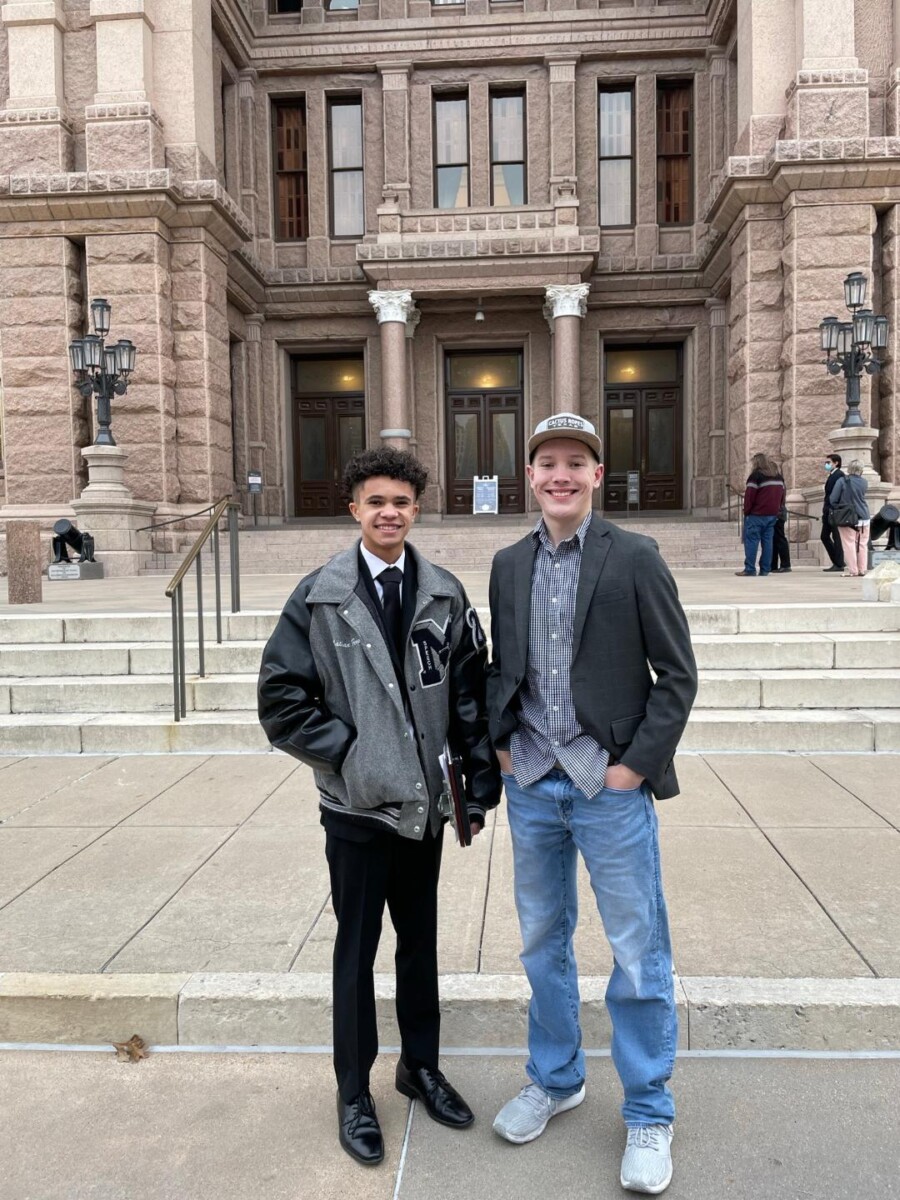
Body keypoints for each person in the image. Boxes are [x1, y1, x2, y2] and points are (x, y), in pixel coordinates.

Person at [258, 447, 499, 1167]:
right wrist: (352, 754)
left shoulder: (445, 593)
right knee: (356, 951)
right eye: (375, 502)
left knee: (419, 945)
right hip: (357, 813)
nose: (388, 513)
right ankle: (354, 1091)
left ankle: (419, 1067)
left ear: (416, 509)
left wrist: (476, 785)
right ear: (354, 510)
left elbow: (468, 696)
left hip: (424, 811)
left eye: (400, 501)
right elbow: (281, 700)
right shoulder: (318, 596)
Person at [485, 413, 698, 1196]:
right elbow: (501, 666)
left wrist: (634, 768)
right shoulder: (508, 564)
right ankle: (556, 1078)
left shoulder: (634, 556)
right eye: (548, 462)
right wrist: (501, 746)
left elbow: (677, 674)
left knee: (637, 949)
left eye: (576, 462)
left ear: (597, 475)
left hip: (608, 787)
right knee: (542, 943)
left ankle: (648, 1108)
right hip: (533, 784)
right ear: (530, 476)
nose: (561, 475)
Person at [735, 453, 785, 577]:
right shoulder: (778, 478)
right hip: (772, 514)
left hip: (756, 515)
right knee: (768, 542)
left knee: (751, 541)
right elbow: (782, 496)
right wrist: (778, 509)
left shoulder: (755, 477)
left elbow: (749, 497)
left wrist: (747, 511)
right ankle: (765, 569)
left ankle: (750, 569)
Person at [829, 459, 871, 577]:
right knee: (862, 544)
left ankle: (853, 570)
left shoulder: (842, 481)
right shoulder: (864, 482)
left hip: (847, 516)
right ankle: (862, 569)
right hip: (864, 516)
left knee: (849, 543)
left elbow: (833, 499)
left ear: (849, 469)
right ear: (861, 470)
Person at [821, 453, 846, 572]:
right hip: (829, 510)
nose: (826, 465)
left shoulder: (839, 475)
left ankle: (839, 563)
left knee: (836, 537)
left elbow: (835, 494)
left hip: (834, 510)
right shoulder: (833, 475)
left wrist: (831, 508)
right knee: (824, 536)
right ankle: (837, 561)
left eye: (828, 462)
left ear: (836, 463)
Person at [771, 463, 792, 573]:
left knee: (779, 538)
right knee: (774, 539)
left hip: (778, 513)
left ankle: (785, 564)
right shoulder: (778, 480)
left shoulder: (777, 481)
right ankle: (773, 565)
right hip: (778, 512)